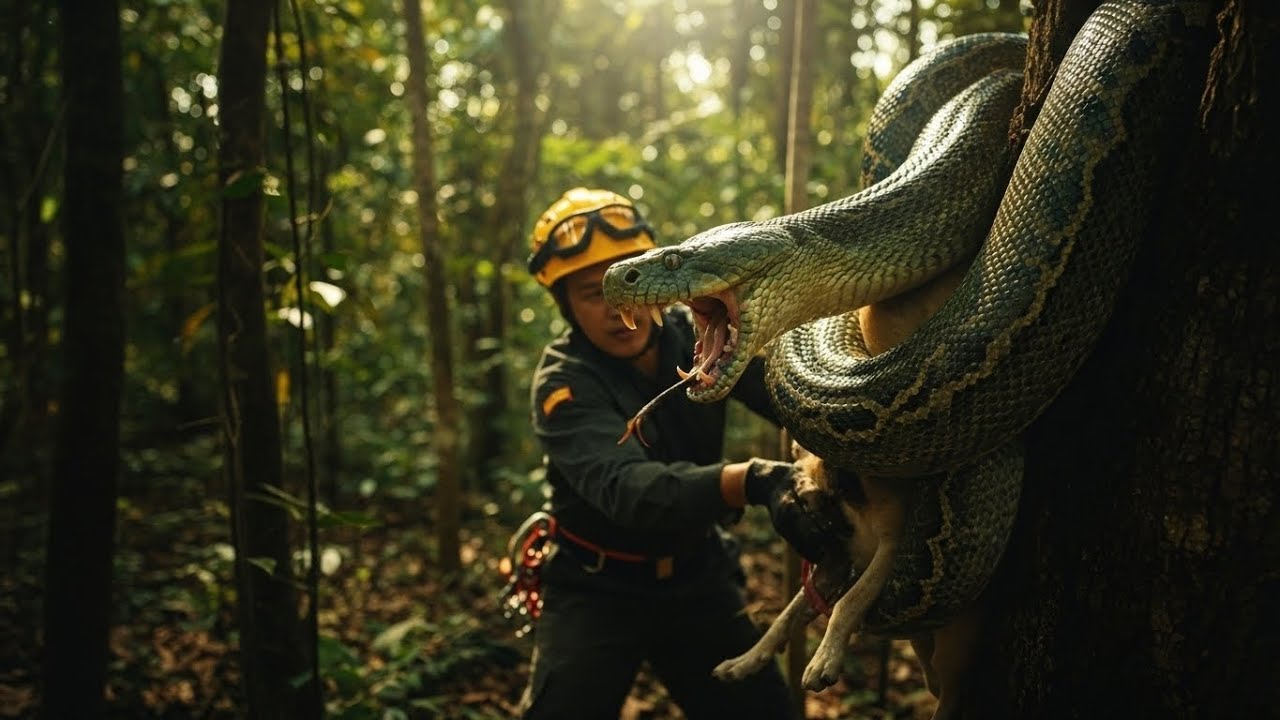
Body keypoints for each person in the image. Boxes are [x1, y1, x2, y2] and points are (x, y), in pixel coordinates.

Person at [514, 187, 830, 720]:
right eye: (593, 293)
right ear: (564, 305)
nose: (620, 308)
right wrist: (752, 481)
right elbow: (628, 490)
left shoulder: (697, 336)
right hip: (596, 589)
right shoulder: (564, 384)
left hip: (697, 576)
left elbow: (788, 395)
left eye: (630, 282)